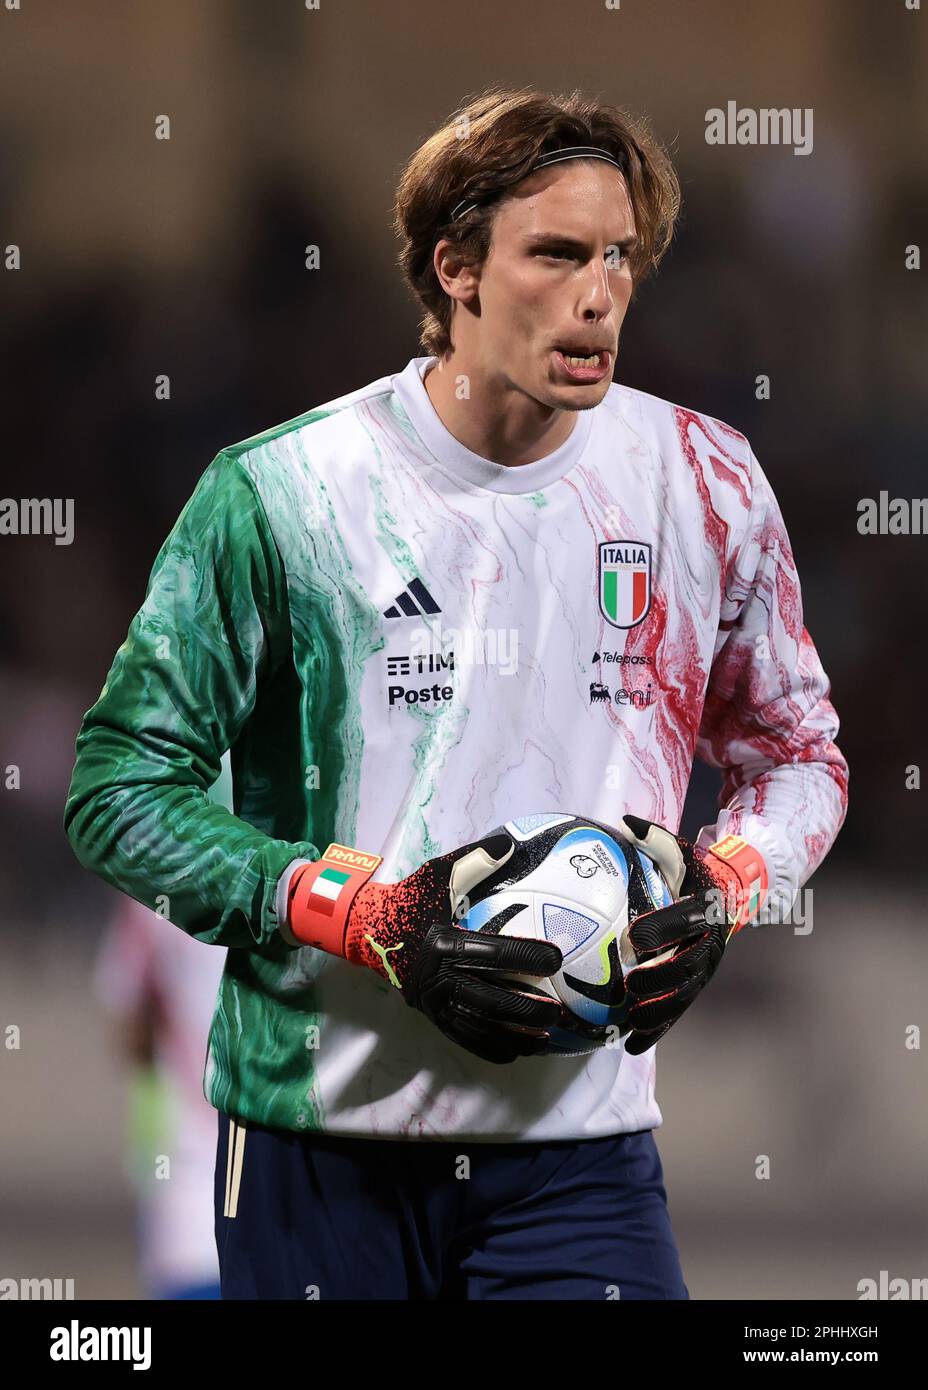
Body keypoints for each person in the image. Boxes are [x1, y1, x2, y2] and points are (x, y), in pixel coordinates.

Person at [65, 85, 848, 1300]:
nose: (600, 293)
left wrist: (726, 887)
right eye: (557, 254)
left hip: (578, 1157)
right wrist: (364, 914)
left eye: (619, 257)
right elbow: (118, 789)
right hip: (318, 1142)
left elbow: (798, 757)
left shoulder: (704, 482)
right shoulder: (282, 494)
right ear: (457, 269)